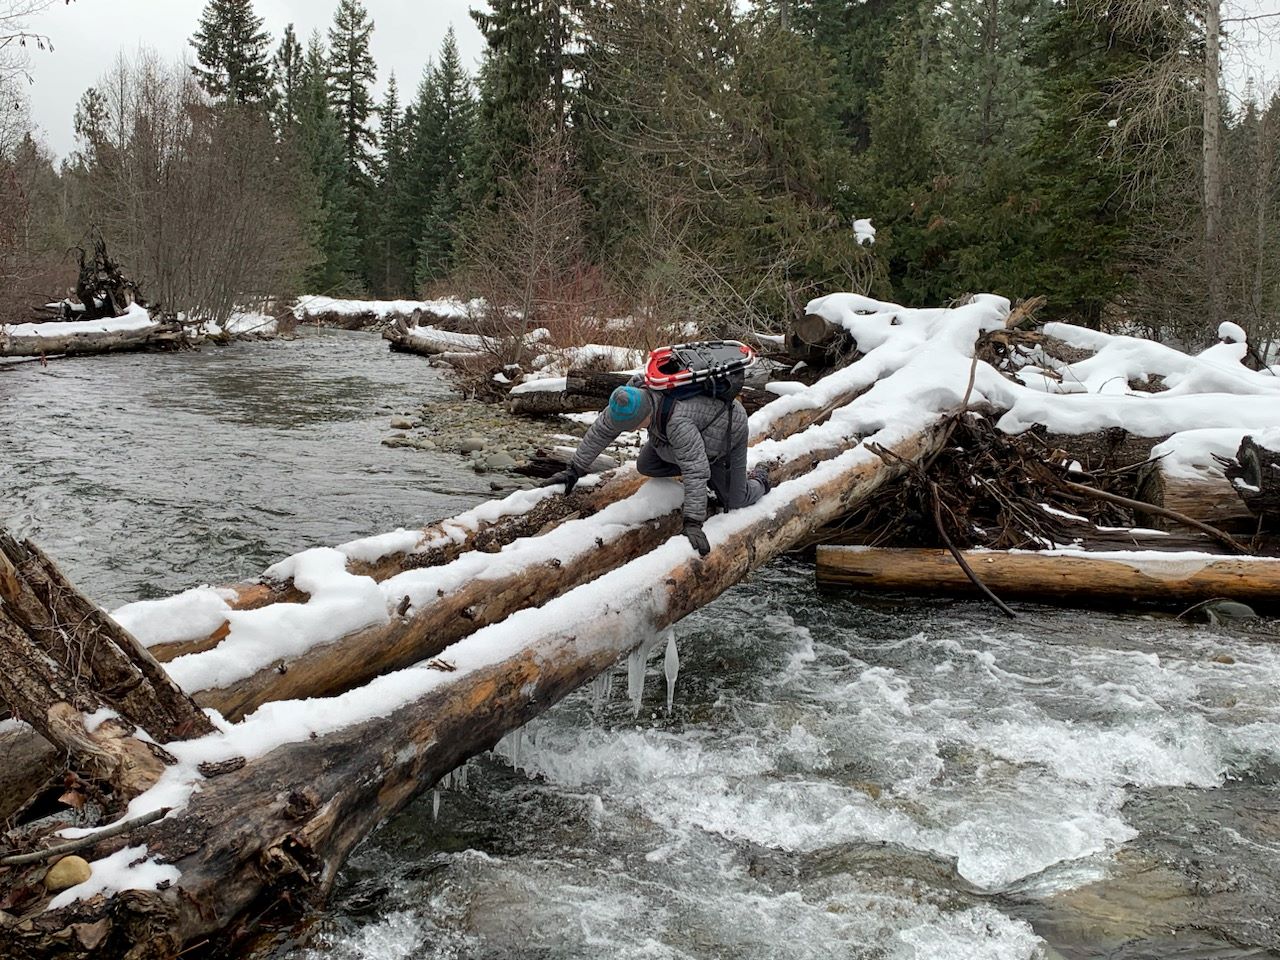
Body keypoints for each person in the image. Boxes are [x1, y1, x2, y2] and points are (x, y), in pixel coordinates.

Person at [543, 347, 770, 557]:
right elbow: (602, 429)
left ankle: (761, 478)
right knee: (647, 465)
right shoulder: (630, 395)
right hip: (685, 440)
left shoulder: (678, 423)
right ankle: (706, 485)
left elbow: (696, 468)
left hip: (726, 437)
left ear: (644, 418)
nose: (629, 430)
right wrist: (574, 469)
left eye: (632, 427)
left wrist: (693, 522)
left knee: (736, 500)